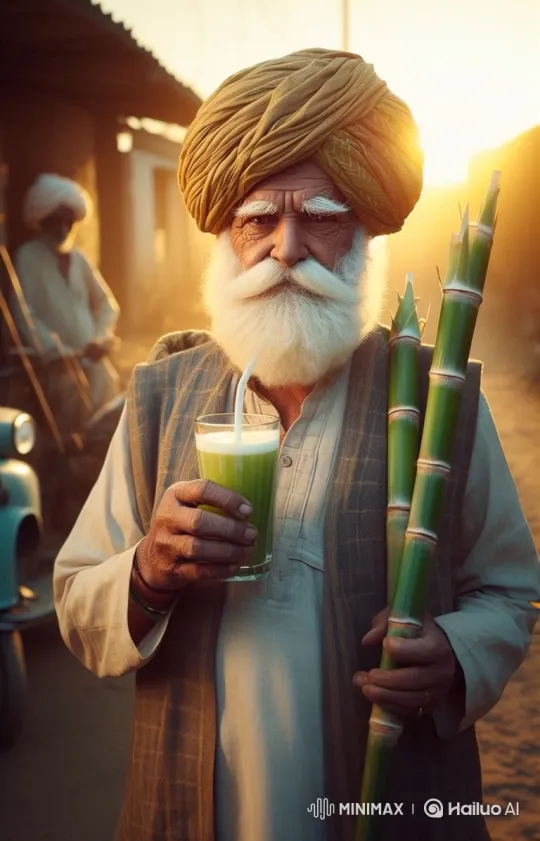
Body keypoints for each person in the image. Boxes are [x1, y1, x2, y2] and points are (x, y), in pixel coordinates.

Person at [54, 49, 540, 841]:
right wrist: (146, 571)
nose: (285, 248)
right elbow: (77, 593)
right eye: (257, 220)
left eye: (319, 216)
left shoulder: (437, 392)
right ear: (224, 237)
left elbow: (510, 590)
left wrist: (451, 652)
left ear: (361, 233)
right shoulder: (158, 394)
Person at [13, 173, 120, 428]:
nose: (63, 230)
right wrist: (55, 350)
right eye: (55, 222)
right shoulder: (27, 257)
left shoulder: (79, 258)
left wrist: (100, 338)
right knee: (69, 432)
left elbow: (107, 304)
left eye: (68, 222)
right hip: (55, 370)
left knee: (107, 424)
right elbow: (23, 314)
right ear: (42, 220)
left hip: (94, 364)